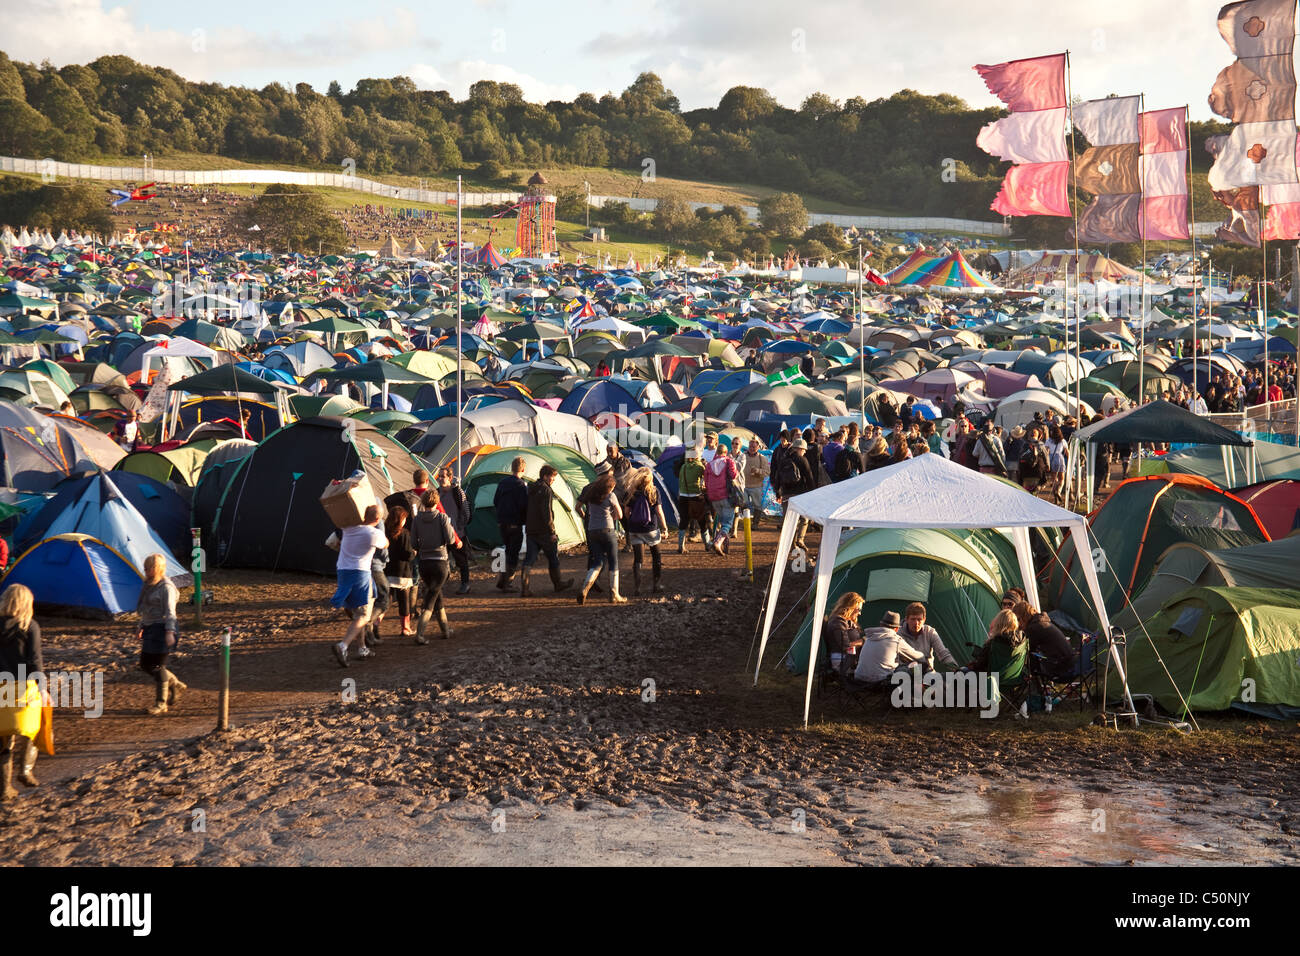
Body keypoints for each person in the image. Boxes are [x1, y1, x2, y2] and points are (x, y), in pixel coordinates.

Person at [330, 505, 388, 665]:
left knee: (357, 614)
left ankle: (362, 648)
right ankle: (343, 646)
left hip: (342, 572)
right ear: (377, 520)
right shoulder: (374, 534)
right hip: (360, 575)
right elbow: (386, 544)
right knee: (363, 615)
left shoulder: (348, 528)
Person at [0, 583, 42, 799]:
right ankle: (26, 771)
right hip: (22, 685)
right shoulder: (29, 626)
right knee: (35, 728)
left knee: (4, 737)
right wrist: (43, 689)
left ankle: (4, 788)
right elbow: (34, 661)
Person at [137, 553, 185, 713]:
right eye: (145, 567)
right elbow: (146, 609)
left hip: (164, 628)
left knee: (158, 666)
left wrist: (170, 632)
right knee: (145, 664)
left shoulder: (166, 588)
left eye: (148, 568)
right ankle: (174, 683)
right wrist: (141, 625)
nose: (145, 571)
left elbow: (171, 612)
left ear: (156, 569)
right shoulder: (149, 584)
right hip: (151, 627)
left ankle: (161, 703)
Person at [411, 491, 459, 643]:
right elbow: (451, 540)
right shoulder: (442, 518)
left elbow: (414, 544)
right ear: (437, 502)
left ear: (423, 502)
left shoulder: (417, 519)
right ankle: (419, 634)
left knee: (437, 596)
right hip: (440, 563)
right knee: (431, 598)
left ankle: (445, 630)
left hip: (424, 564)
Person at [521, 465, 575, 596]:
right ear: (545, 476)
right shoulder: (546, 490)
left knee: (529, 559)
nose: (553, 479)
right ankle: (558, 584)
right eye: (552, 476)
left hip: (531, 530)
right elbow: (547, 513)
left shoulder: (531, 488)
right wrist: (552, 532)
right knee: (553, 558)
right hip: (544, 531)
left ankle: (525, 589)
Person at [577, 467, 625, 604]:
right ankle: (614, 594)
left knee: (597, 561)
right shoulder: (611, 496)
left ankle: (585, 587)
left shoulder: (591, 495)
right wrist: (613, 516)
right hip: (607, 530)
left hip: (592, 531)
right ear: (609, 487)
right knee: (613, 562)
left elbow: (587, 511)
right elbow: (620, 514)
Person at [624, 467, 668, 595]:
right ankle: (657, 585)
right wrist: (664, 528)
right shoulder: (654, 491)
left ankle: (637, 588)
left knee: (638, 559)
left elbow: (627, 512)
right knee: (656, 556)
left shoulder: (631, 492)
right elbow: (659, 511)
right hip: (651, 529)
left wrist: (632, 521)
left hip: (634, 529)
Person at [853, 611, 925, 685]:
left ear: (881, 624)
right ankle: (920, 691)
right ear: (896, 629)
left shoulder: (869, 637)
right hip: (880, 682)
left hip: (859, 678)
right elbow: (918, 657)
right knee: (915, 665)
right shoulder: (896, 640)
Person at [1014, 601, 1077, 679]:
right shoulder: (1041, 622)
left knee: (1026, 658)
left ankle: (1030, 685)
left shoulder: (1034, 628)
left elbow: (1026, 649)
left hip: (1061, 669)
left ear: (1024, 616)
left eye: (1018, 619)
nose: (1017, 623)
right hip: (1072, 664)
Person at [493, 456, 529, 591]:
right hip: (515, 523)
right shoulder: (521, 485)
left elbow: (495, 501)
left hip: (502, 523)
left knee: (508, 550)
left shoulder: (502, 483)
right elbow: (524, 505)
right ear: (523, 469)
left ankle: (502, 579)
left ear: (512, 468)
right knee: (513, 553)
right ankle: (507, 583)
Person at [438, 466, 473, 594]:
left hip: (457, 533)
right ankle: (440, 586)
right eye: (439, 476)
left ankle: (465, 584)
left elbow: (466, 511)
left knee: (461, 560)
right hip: (441, 534)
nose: (440, 479)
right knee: (441, 560)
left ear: (450, 477)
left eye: (443, 476)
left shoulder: (457, 492)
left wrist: (459, 527)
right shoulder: (436, 493)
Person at [384, 506, 416, 636]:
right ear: (400, 519)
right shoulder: (405, 534)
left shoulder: (384, 532)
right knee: (404, 602)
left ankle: (375, 623)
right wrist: (414, 553)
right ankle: (405, 628)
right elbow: (407, 555)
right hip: (402, 574)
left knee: (386, 601)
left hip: (387, 571)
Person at [898, 602, 957, 672]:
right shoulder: (898, 635)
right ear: (907, 619)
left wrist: (956, 668)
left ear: (924, 619)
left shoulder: (930, 632)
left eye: (919, 619)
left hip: (928, 673)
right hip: (906, 675)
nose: (916, 623)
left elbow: (943, 653)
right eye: (913, 619)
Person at [704, 441, 739, 556]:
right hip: (726, 495)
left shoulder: (709, 465)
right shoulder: (728, 461)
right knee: (727, 524)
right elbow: (734, 475)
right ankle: (717, 543)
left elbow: (706, 482)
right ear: (725, 452)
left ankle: (725, 548)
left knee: (722, 522)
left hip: (714, 498)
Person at [675, 442, 711, 553]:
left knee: (683, 522)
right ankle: (707, 545)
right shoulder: (700, 467)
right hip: (696, 497)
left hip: (683, 498)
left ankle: (681, 546)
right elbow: (706, 477)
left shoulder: (683, 467)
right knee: (702, 522)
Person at [968, 608, 1026, 674]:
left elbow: (980, 665)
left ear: (998, 624)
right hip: (1012, 680)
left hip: (991, 680)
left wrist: (972, 665)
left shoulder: (994, 643)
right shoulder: (1021, 642)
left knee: (960, 673)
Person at [825, 592, 865, 674]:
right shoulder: (837, 622)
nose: (860, 613)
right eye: (859, 609)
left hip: (848, 658)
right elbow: (845, 646)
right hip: (842, 660)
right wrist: (863, 641)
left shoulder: (847, 621)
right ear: (851, 607)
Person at [741, 438, 770, 521]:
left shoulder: (762, 458)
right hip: (744, 485)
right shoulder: (743, 456)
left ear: (758, 448)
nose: (752, 448)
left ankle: (755, 523)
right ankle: (746, 521)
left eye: (754, 447)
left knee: (757, 505)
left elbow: (767, 472)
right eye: (750, 446)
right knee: (743, 503)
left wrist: (757, 471)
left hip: (756, 486)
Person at [1045, 424, 1068, 503]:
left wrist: (1047, 461)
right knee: (1062, 479)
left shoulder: (1048, 440)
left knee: (1054, 479)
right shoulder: (1062, 441)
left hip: (1051, 458)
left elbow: (1046, 451)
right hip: (1060, 458)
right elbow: (1067, 453)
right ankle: (1059, 491)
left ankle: (1055, 496)